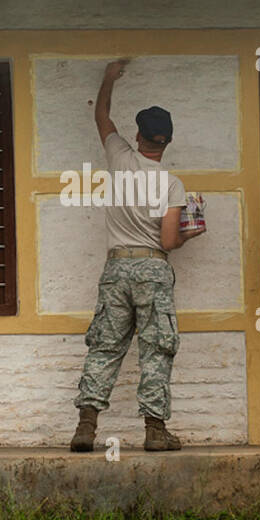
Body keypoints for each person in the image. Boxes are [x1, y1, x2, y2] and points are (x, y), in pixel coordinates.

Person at [69, 59, 206, 453]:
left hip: (116, 267)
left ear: (137, 136)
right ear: (167, 142)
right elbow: (168, 240)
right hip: (152, 269)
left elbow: (101, 116)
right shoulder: (172, 184)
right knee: (156, 349)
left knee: (105, 346)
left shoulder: (119, 158)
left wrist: (109, 77)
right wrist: (189, 235)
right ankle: (155, 431)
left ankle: (86, 427)